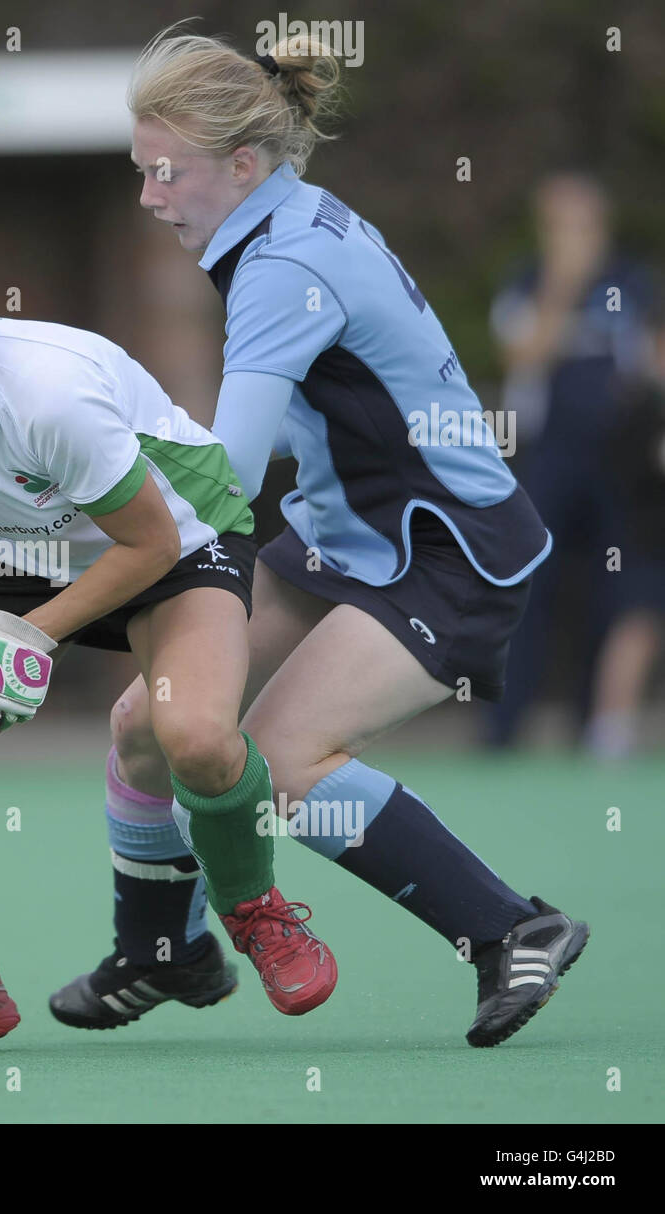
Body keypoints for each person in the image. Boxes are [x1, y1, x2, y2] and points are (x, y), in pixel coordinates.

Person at [48, 26, 589, 1048]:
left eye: (165, 172)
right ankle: (165, 950)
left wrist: (62, 578)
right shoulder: (278, 223)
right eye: (139, 170)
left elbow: (224, 481)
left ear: (241, 164)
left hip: (445, 549)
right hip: (343, 534)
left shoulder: (281, 267)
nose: (147, 195)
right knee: (146, 722)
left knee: (284, 761)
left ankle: (509, 926)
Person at [0, 198, 338, 1054]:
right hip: (28, 550)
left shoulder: (48, 391)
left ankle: (253, 909)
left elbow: (148, 540)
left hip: (176, 539)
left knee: (194, 735)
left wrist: (34, 634)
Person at [487, 172, 664, 754]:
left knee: (615, 589)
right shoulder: (529, 281)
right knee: (531, 585)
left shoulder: (631, 284)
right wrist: (564, 283)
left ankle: (597, 726)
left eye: (580, 222)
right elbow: (523, 352)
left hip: (620, 464)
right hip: (548, 458)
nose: (571, 233)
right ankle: (504, 732)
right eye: (558, 223)